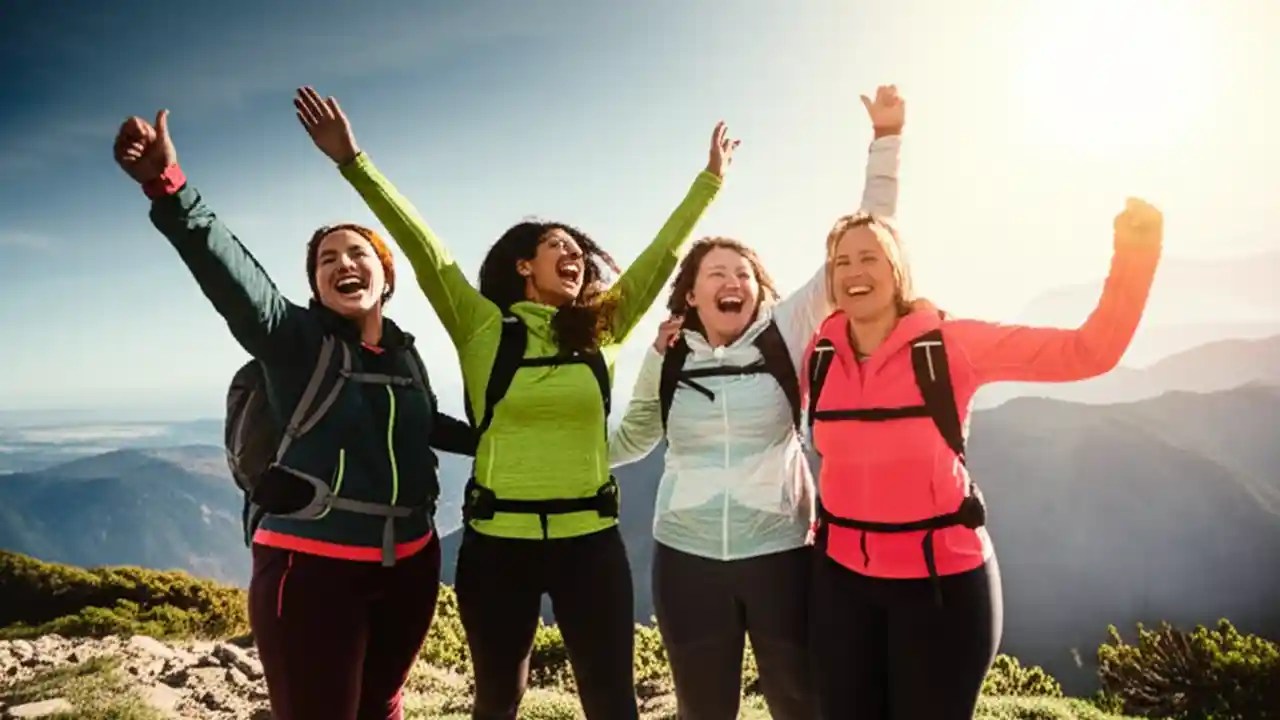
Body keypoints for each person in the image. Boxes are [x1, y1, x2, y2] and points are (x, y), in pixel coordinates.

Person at [293, 85, 735, 720]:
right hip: (499, 546)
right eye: (559, 246)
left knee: (613, 701)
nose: (575, 256)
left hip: (592, 543)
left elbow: (660, 259)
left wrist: (709, 183)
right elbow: (422, 248)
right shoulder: (481, 327)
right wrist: (352, 161)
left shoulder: (601, 329)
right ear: (525, 265)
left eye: (579, 251)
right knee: (500, 698)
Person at [112, 109, 475, 720]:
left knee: (383, 705)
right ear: (314, 285)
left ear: (386, 278)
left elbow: (426, 426)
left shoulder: (405, 356)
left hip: (412, 564)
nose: (342, 264)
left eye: (357, 253)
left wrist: (508, 441)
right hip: (310, 569)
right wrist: (169, 187)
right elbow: (232, 277)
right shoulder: (295, 343)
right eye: (326, 260)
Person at [801, 194, 1163, 717]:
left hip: (939, 588)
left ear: (898, 270)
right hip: (840, 584)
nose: (854, 271)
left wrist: (1135, 252)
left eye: (869, 257)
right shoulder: (821, 354)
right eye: (841, 262)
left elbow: (1089, 351)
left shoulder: (950, 345)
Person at [608, 85, 906, 719]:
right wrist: (553, 454)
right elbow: (635, 435)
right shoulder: (669, 355)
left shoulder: (787, 329)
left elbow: (868, 238)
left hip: (783, 553)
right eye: (715, 274)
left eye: (743, 273)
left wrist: (886, 141)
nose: (732, 282)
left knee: (800, 702)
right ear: (689, 295)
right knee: (702, 707)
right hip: (686, 559)